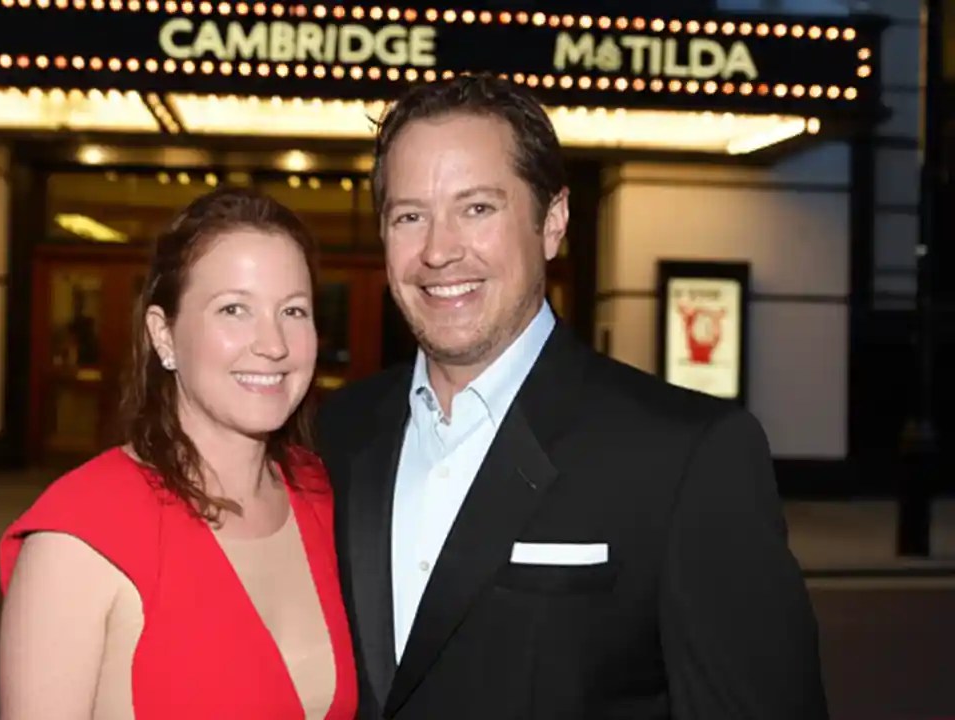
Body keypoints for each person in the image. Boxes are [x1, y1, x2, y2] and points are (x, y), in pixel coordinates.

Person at [315, 74, 828, 719]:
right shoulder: (338, 433)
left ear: (551, 222)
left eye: (477, 209)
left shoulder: (686, 456)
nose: (439, 250)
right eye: (410, 216)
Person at [0, 188, 358, 719]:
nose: (274, 343)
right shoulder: (80, 537)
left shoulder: (327, 497)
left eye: (294, 310)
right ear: (163, 335)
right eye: (234, 309)